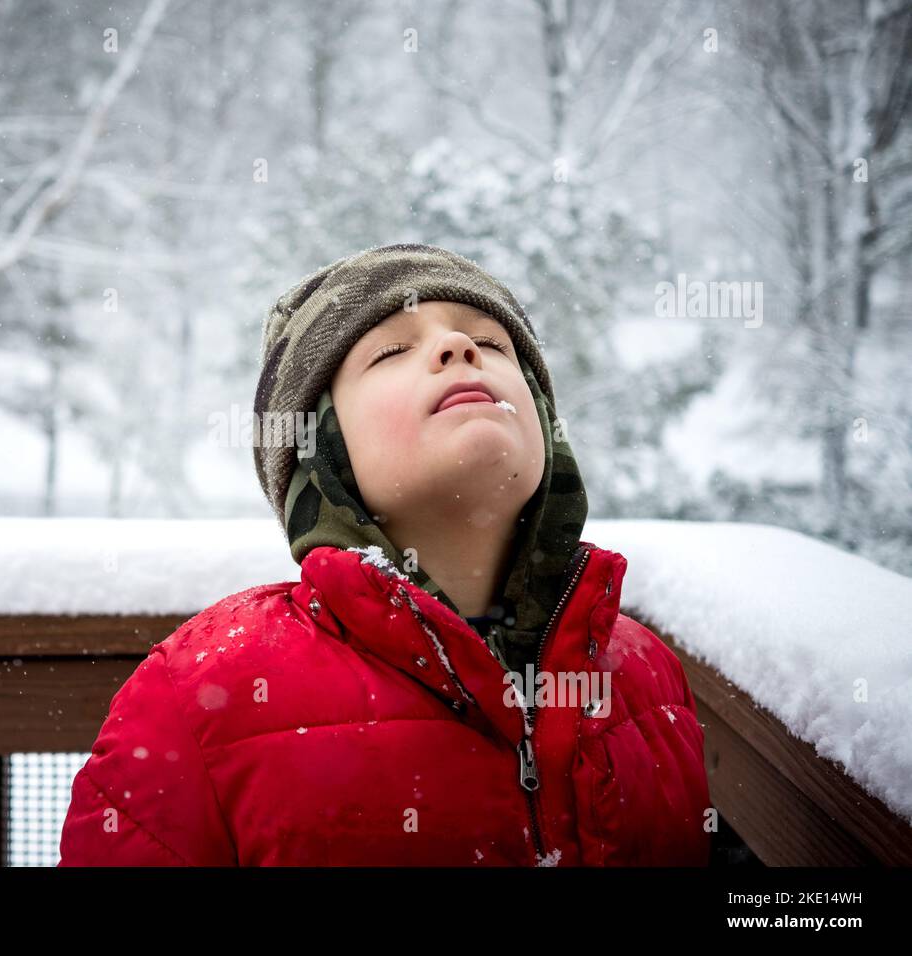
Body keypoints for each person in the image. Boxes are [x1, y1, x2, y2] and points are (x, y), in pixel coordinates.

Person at [57, 242, 712, 866]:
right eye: (392, 350)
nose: (459, 349)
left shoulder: (647, 672)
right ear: (323, 451)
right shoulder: (202, 691)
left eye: (489, 342)